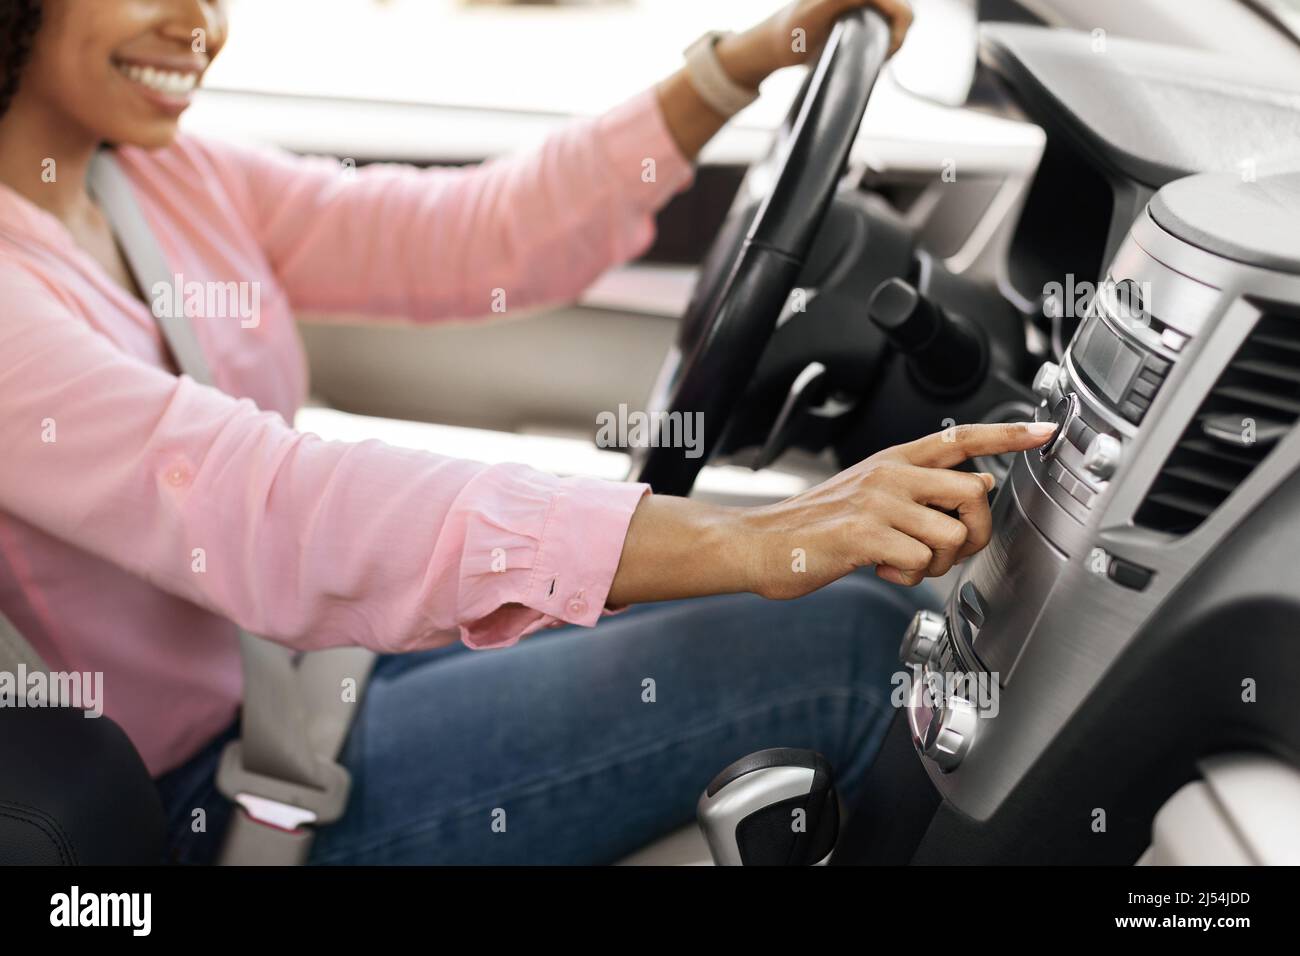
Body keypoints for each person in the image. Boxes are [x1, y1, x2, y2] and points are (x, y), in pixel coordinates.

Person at [0, 0, 1054, 864]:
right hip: (203, 793)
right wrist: (750, 539)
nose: (202, 23)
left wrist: (738, 66)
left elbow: (462, 239)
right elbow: (264, 505)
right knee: (857, 649)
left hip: (313, 669)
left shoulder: (148, 171)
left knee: (872, 604)